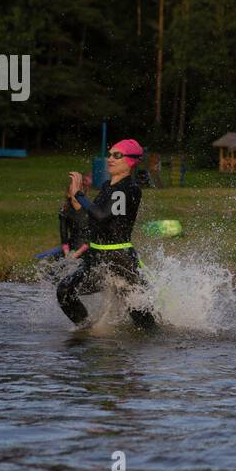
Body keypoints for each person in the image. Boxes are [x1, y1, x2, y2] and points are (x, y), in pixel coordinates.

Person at [56, 138, 158, 330]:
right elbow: (92, 214)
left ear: (130, 161)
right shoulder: (106, 186)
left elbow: (102, 216)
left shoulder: (129, 189)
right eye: (110, 154)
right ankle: (86, 330)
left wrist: (79, 194)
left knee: (142, 321)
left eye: (116, 155)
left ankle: (157, 340)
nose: (110, 158)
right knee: (65, 291)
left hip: (120, 260)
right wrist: (75, 197)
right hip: (97, 257)